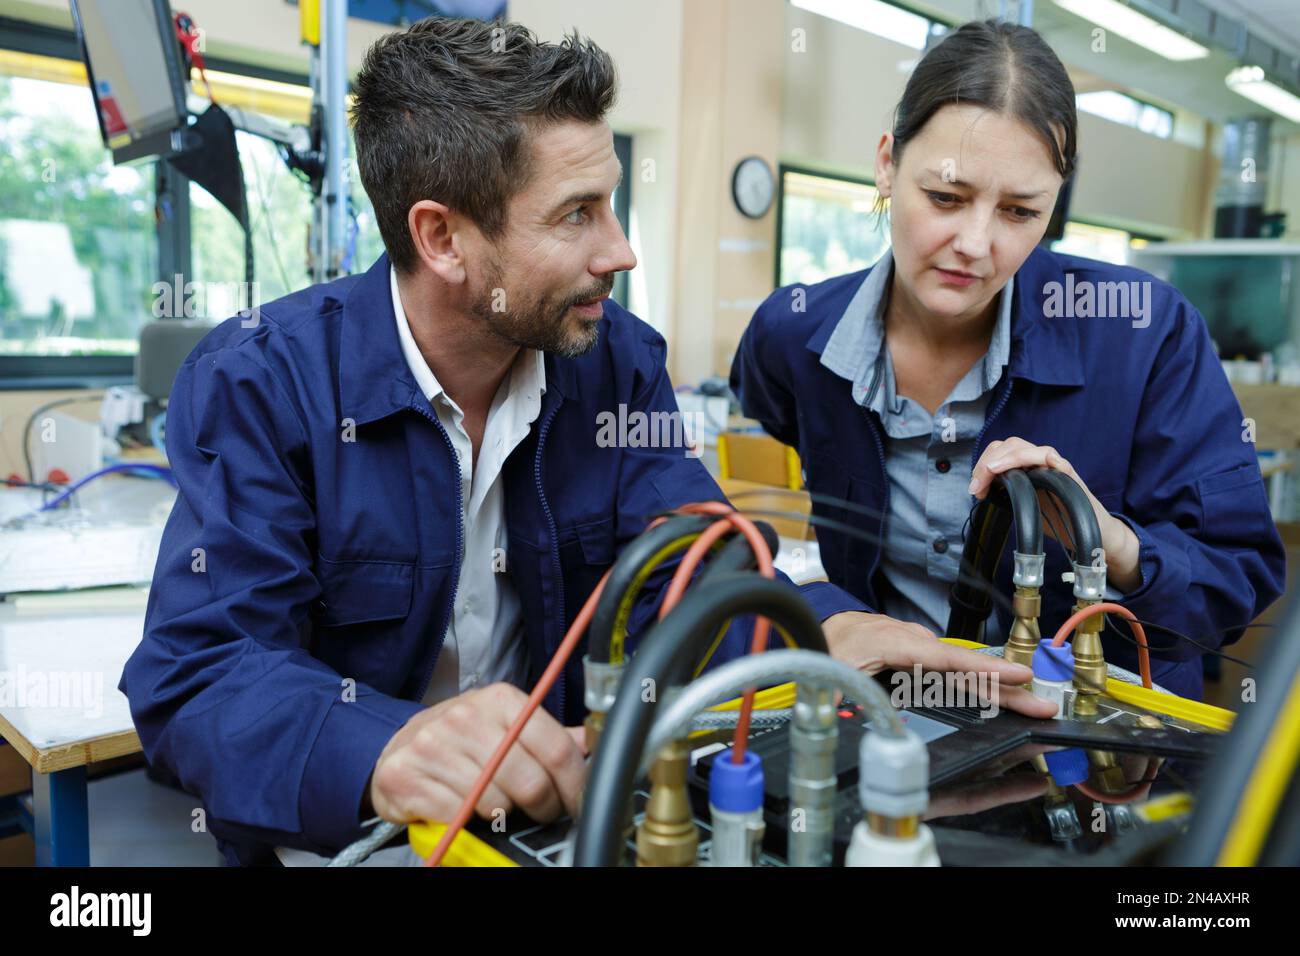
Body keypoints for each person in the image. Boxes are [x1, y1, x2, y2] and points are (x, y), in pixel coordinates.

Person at [122, 17, 1047, 867]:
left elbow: (687, 572)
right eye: (576, 215)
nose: (621, 251)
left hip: (559, 829)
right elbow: (200, 674)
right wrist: (386, 748)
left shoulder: (616, 365)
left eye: (612, 203)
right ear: (442, 238)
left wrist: (825, 629)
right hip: (355, 841)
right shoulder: (262, 381)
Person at [731, 19, 1286, 705]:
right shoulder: (790, 336)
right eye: (945, 197)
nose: (975, 242)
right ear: (885, 164)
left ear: (1054, 207)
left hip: (1092, 752)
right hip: (882, 726)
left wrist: (1112, 541)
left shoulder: (1147, 334)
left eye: (1020, 211)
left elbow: (1236, 585)